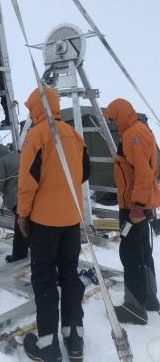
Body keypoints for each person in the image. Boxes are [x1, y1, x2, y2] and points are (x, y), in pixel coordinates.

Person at [17, 87, 91, 362]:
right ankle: (75, 339)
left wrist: (23, 215)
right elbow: (85, 172)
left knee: (45, 279)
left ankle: (47, 344)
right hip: (71, 220)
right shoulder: (74, 135)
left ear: (38, 107)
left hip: (45, 223)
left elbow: (26, 182)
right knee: (70, 276)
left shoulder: (36, 136)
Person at [104, 98, 160, 324]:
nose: (112, 122)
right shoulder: (139, 130)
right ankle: (149, 298)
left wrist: (136, 205)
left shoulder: (133, 136)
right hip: (142, 204)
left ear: (121, 114)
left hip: (133, 207)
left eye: (113, 117)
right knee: (143, 252)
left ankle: (134, 308)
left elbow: (144, 174)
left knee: (131, 254)